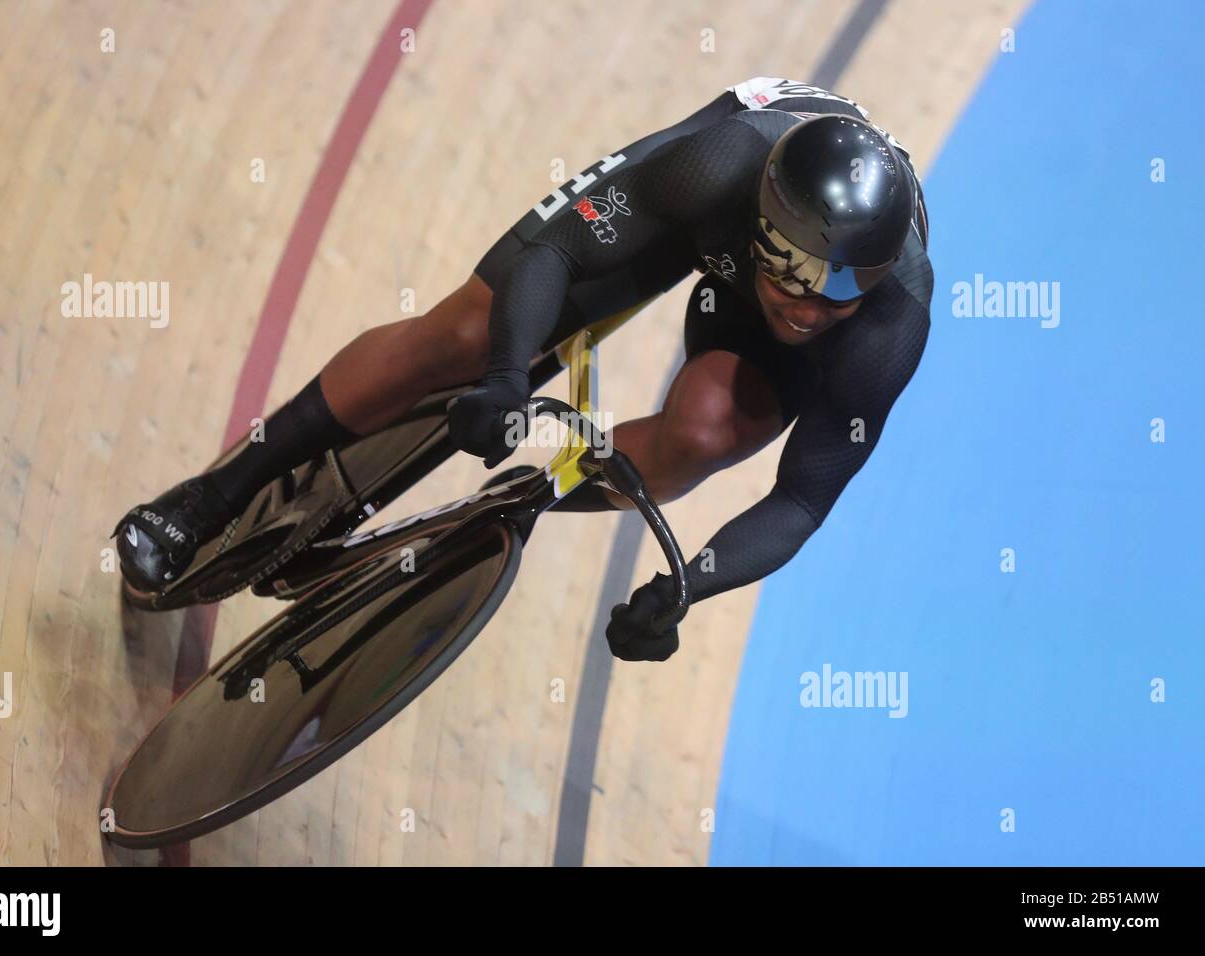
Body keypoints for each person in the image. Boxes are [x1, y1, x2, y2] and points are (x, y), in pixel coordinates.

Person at [113, 75, 933, 662]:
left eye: (841, 296)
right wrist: (508, 375)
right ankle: (208, 496)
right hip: (704, 224)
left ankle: (519, 502)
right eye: (794, 280)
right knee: (464, 332)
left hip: (751, 285)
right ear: (762, 229)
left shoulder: (887, 327)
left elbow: (798, 500)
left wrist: (686, 589)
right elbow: (558, 251)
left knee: (705, 434)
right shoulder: (713, 166)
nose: (809, 309)